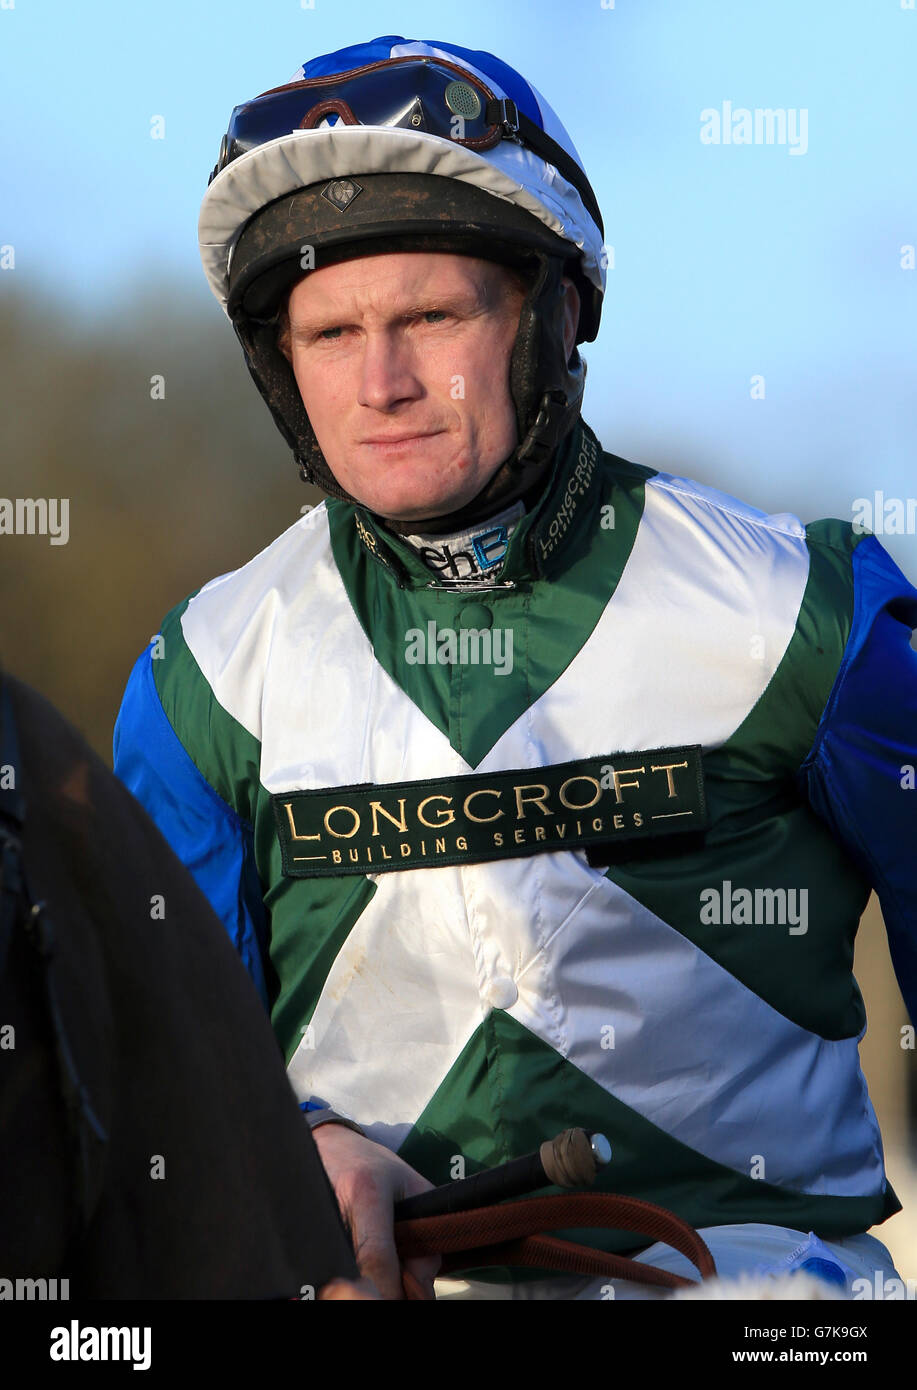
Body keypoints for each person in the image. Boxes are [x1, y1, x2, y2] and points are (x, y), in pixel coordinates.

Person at [114, 36, 917, 1300]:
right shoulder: (199, 681)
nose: (379, 383)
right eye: (329, 334)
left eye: (428, 317)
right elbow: (155, 1113)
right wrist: (294, 1152)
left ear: (554, 312)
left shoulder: (812, 615)